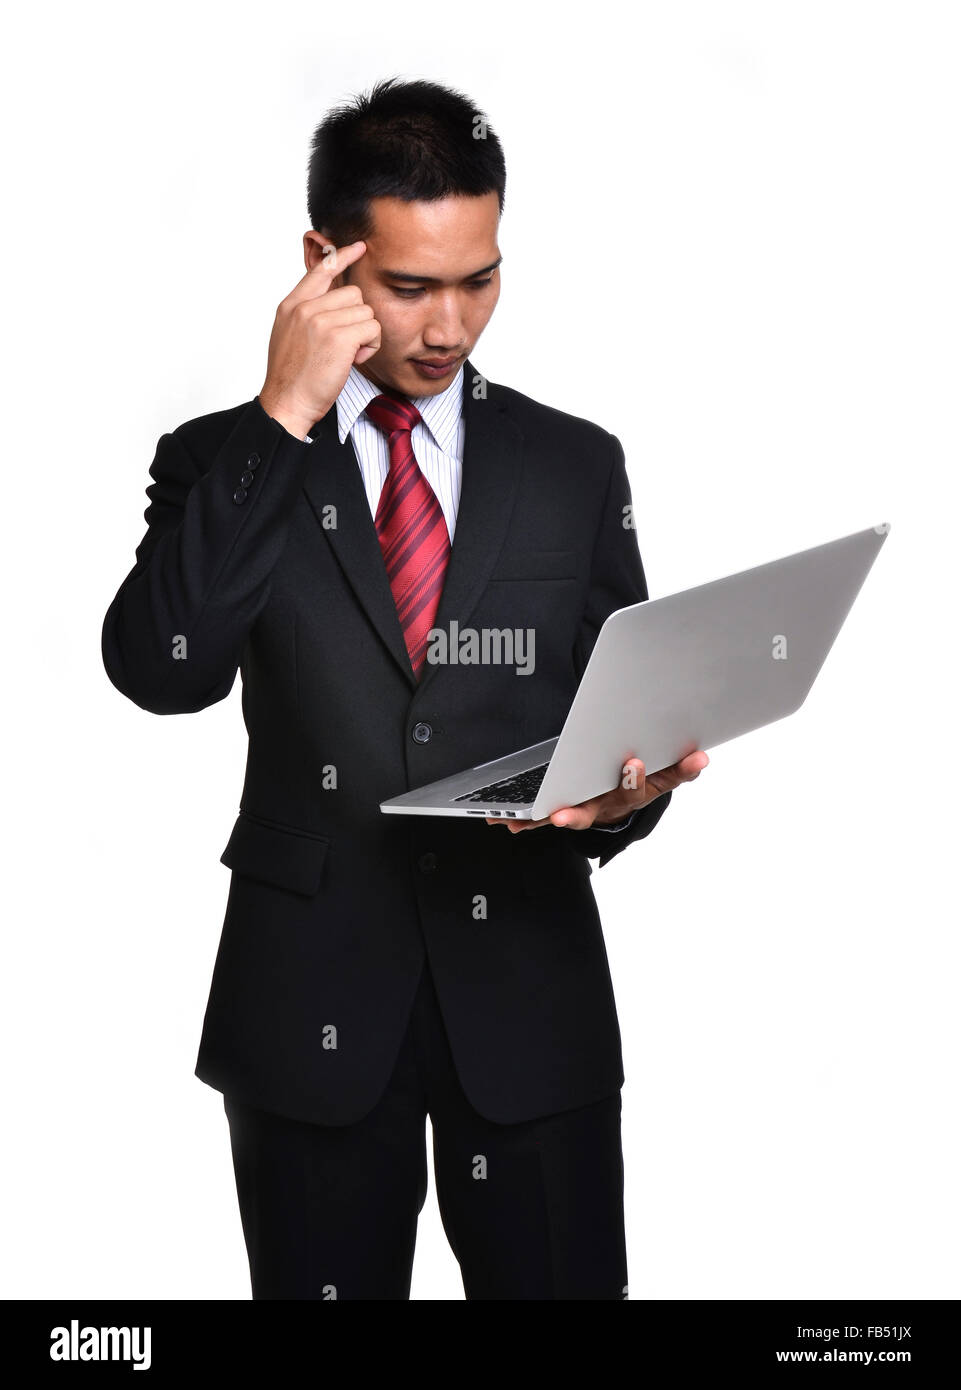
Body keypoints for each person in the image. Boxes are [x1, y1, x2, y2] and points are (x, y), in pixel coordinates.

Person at [101, 76, 708, 1301]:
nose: (450, 326)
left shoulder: (574, 463)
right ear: (324, 261)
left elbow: (620, 713)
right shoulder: (224, 459)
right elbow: (162, 671)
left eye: (478, 279)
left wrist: (625, 799)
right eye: (409, 285)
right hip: (311, 998)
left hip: (529, 995)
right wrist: (285, 413)